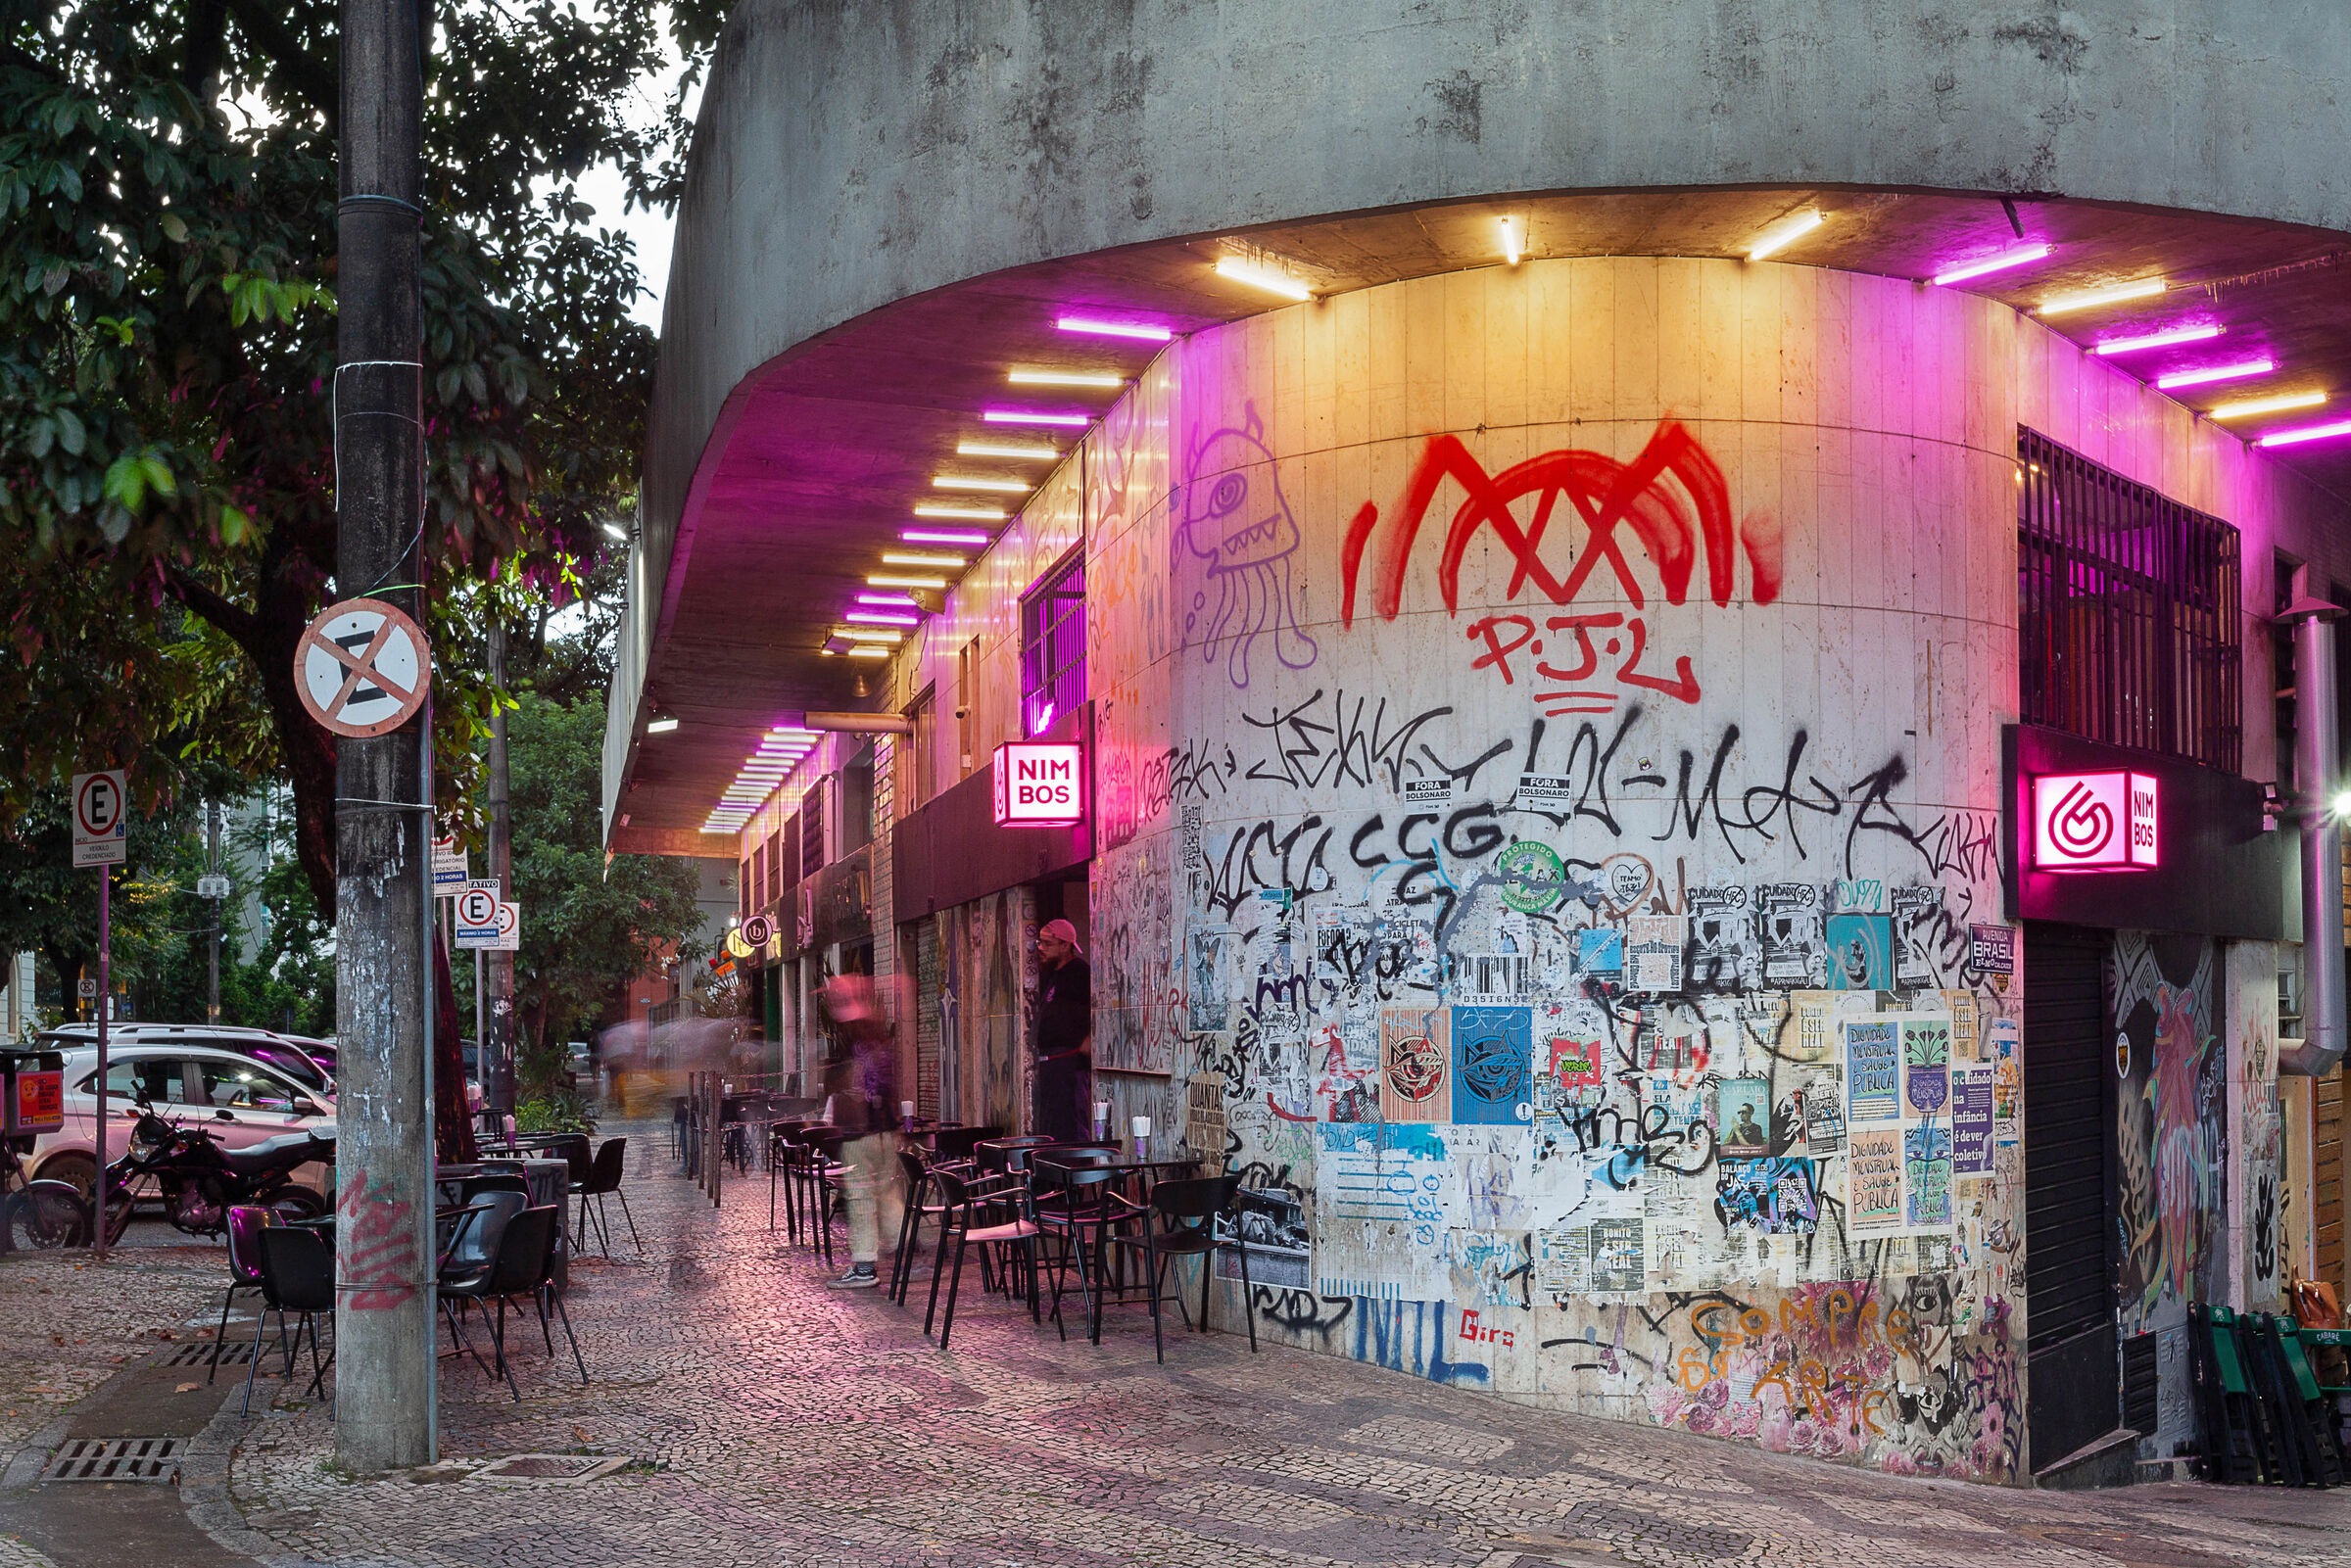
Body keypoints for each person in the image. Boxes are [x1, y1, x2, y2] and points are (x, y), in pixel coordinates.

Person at [818, 974, 904, 1289]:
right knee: (887, 1192)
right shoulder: (878, 1028)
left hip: (859, 1131)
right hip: (884, 1127)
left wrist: (834, 1117)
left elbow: (846, 1082)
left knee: (860, 1197)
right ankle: (906, 1254)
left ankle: (865, 1268)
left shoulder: (845, 1034)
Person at [1032, 918, 1091, 1142]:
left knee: (1070, 1128)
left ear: (1065, 945)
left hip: (1069, 1064)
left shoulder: (1079, 973)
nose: (1041, 949)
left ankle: (1074, 1171)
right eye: (1040, 943)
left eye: (1047, 944)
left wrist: (1089, 1038)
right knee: (1051, 1128)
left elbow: (1098, 1008)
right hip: (1050, 1064)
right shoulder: (1052, 974)